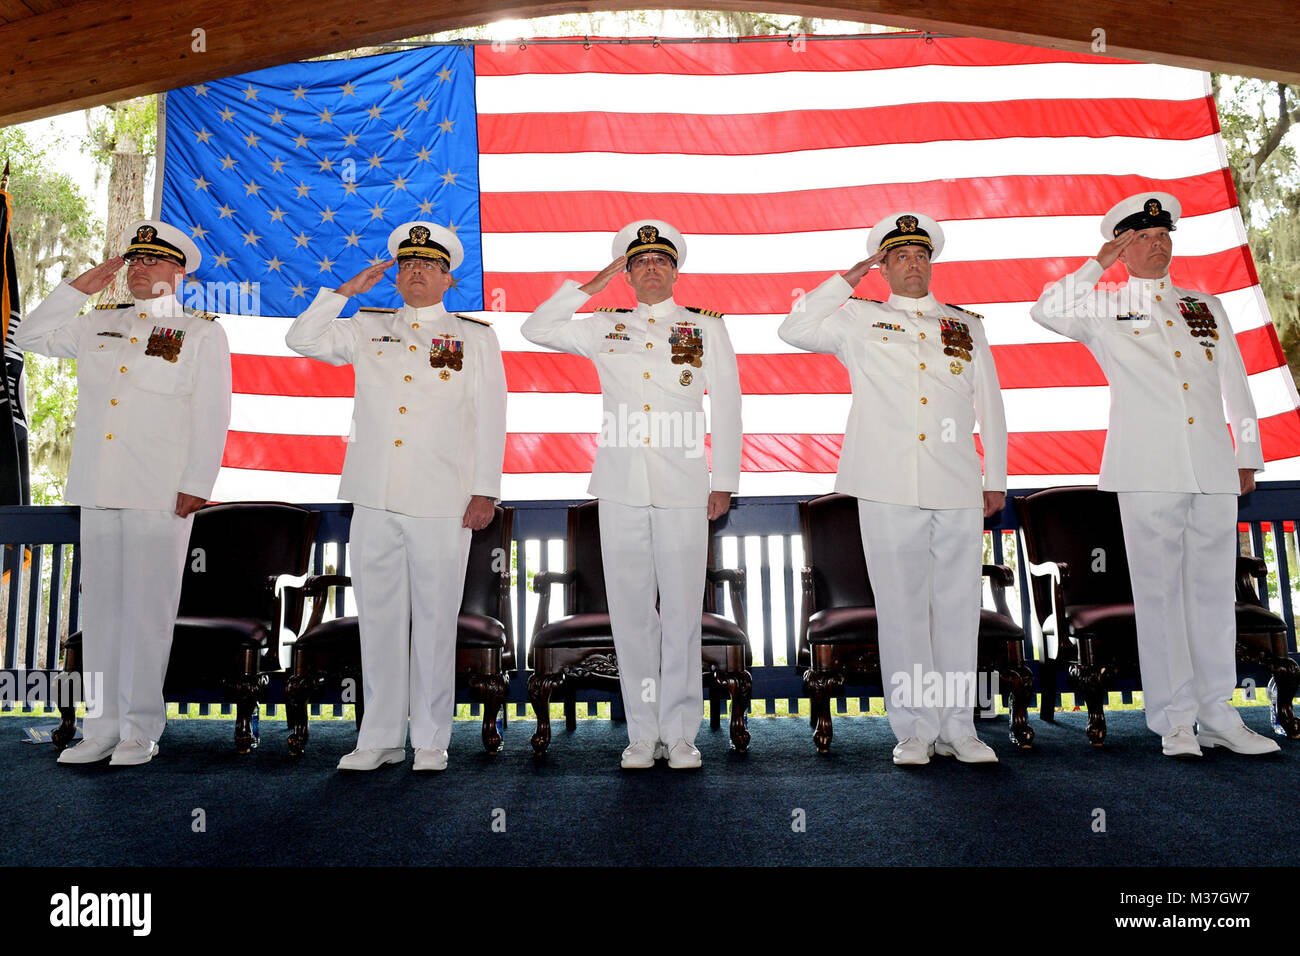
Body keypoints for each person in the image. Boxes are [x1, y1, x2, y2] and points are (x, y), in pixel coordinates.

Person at [1030, 192, 1277, 757]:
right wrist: (1097, 262)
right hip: (1147, 469)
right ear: (1122, 248)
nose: (1156, 244)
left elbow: (1234, 386)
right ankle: (1173, 721)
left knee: (1213, 594)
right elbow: (1045, 310)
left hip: (1212, 466)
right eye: (1141, 237)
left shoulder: (1205, 306)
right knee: (1160, 594)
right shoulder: (1104, 307)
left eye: (1162, 235)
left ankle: (1219, 714)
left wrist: (1245, 455)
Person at [779, 212, 1007, 766]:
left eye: (921, 255)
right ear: (883, 266)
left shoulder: (965, 325)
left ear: (932, 262)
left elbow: (991, 406)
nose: (912, 264)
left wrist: (994, 478)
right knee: (902, 610)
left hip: (956, 482)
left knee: (956, 609)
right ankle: (913, 730)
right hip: (884, 483)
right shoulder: (857, 317)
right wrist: (846, 280)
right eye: (899, 256)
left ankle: (960, 727)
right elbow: (793, 328)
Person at [521, 220, 742, 769]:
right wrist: (590, 285)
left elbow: (730, 407)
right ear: (627, 274)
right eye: (639, 262)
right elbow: (535, 328)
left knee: (684, 612)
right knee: (631, 614)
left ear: (675, 271)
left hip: (685, 486)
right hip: (620, 485)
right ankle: (643, 733)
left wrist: (725, 483)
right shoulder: (603, 325)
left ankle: (682, 733)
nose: (651, 269)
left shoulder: (705, 328)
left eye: (661, 261)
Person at [286, 221, 506, 772]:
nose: (416, 272)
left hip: (442, 500)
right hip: (374, 496)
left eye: (428, 266)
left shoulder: (474, 337)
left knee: (434, 623)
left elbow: (490, 420)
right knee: (379, 621)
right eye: (407, 265)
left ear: (448, 279)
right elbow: (301, 339)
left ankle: (432, 740)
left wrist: (485, 490)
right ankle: (379, 737)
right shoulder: (365, 326)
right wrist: (343, 293)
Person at [17, 219, 231, 766]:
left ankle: (139, 729)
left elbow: (211, 414)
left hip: (159, 490)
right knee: (105, 611)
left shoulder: (200, 332)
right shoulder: (98, 323)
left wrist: (195, 483)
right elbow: (28, 336)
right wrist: (76, 290)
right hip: (99, 483)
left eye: (153, 262)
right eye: (134, 261)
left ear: (177, 273)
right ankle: (101, 727)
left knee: (147, 613)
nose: (140, 269)